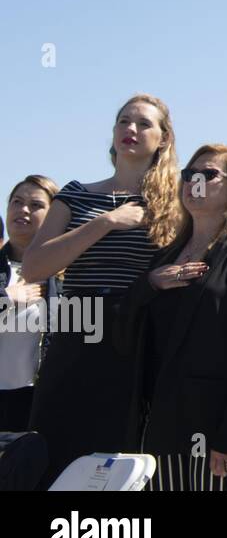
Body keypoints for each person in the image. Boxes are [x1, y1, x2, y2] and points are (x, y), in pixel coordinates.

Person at [22, 94, 181, 486]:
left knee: (120, 458)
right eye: (123, 121)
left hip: (137, 338)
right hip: (77, 334)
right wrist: (106, 222)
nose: (131, 129)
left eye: (144, 123)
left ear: (162, 138)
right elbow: (34, 267)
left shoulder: (175, 204)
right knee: (53, 450)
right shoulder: (75, 194)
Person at [115, 144, 227, 490]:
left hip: (220, 431)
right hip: (162, 426)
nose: (195, 181)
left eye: (208, 174)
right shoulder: (165, 256)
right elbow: (126, 327)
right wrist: (151, 284)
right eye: (188, 174)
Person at [0, 176, 60, 431]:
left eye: (35, 205)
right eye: (17, 202)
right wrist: (6, 297)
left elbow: (91, 334)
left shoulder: (69, 274)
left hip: (40, 400)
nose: (23, 210)